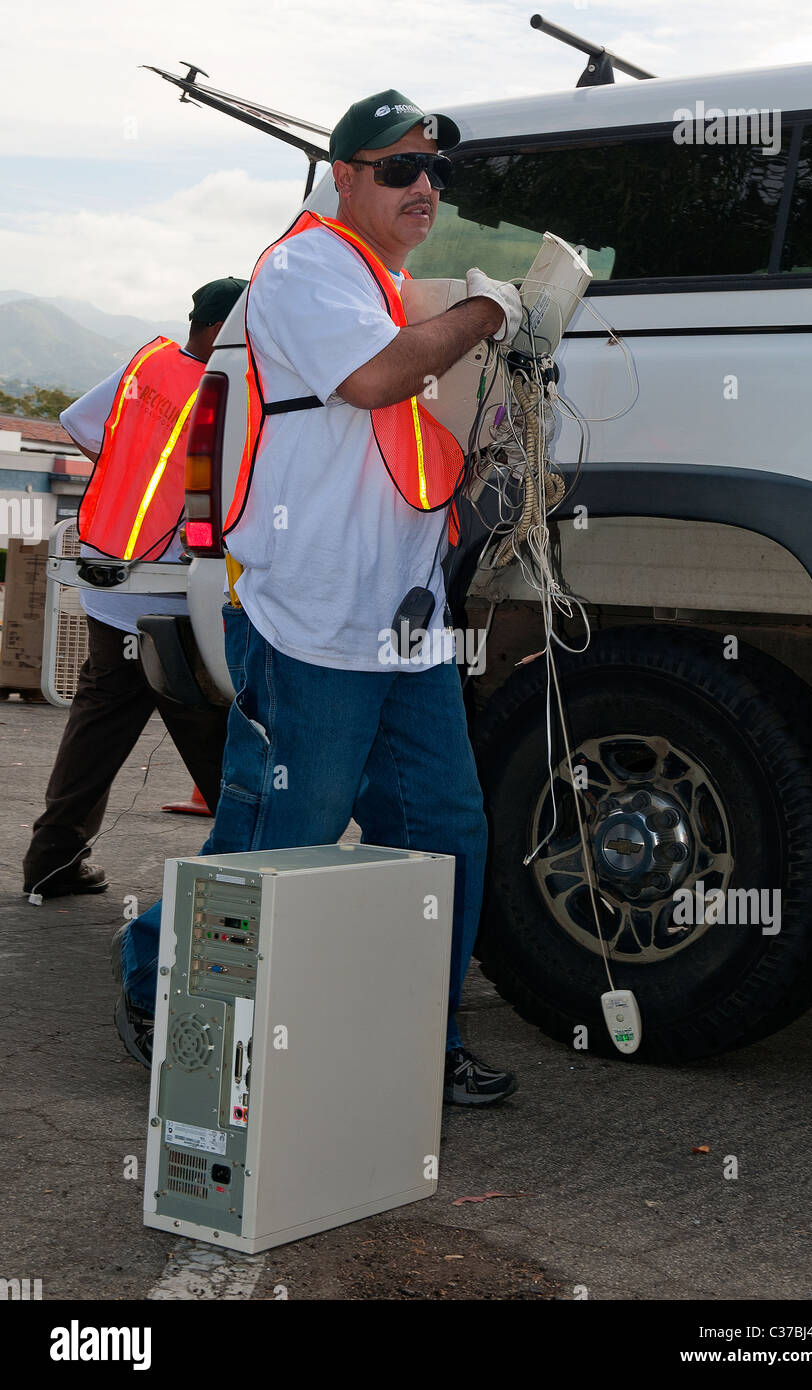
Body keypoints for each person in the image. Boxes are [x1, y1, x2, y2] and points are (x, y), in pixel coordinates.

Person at [115, 90, 523, 1106]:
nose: (424, 186)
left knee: (439, 835)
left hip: (402, 627)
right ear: (342, 175)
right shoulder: (303, 269)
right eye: (399, 169)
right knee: (276, 837)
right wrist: (490, 310)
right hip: (308, 626)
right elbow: (377, 382)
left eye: (435, 173)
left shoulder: (383, 284)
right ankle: (156, 981)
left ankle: (417, 1039)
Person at [23, 278, 247, 899]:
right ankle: (249, 864)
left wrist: (136, 470)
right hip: (172, 592)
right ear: (228, 329)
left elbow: (80, 425)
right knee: (213, 732)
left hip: (107, 577)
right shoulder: (229, 391)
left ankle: (52, 860)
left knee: (97, 729)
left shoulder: (146, 364)